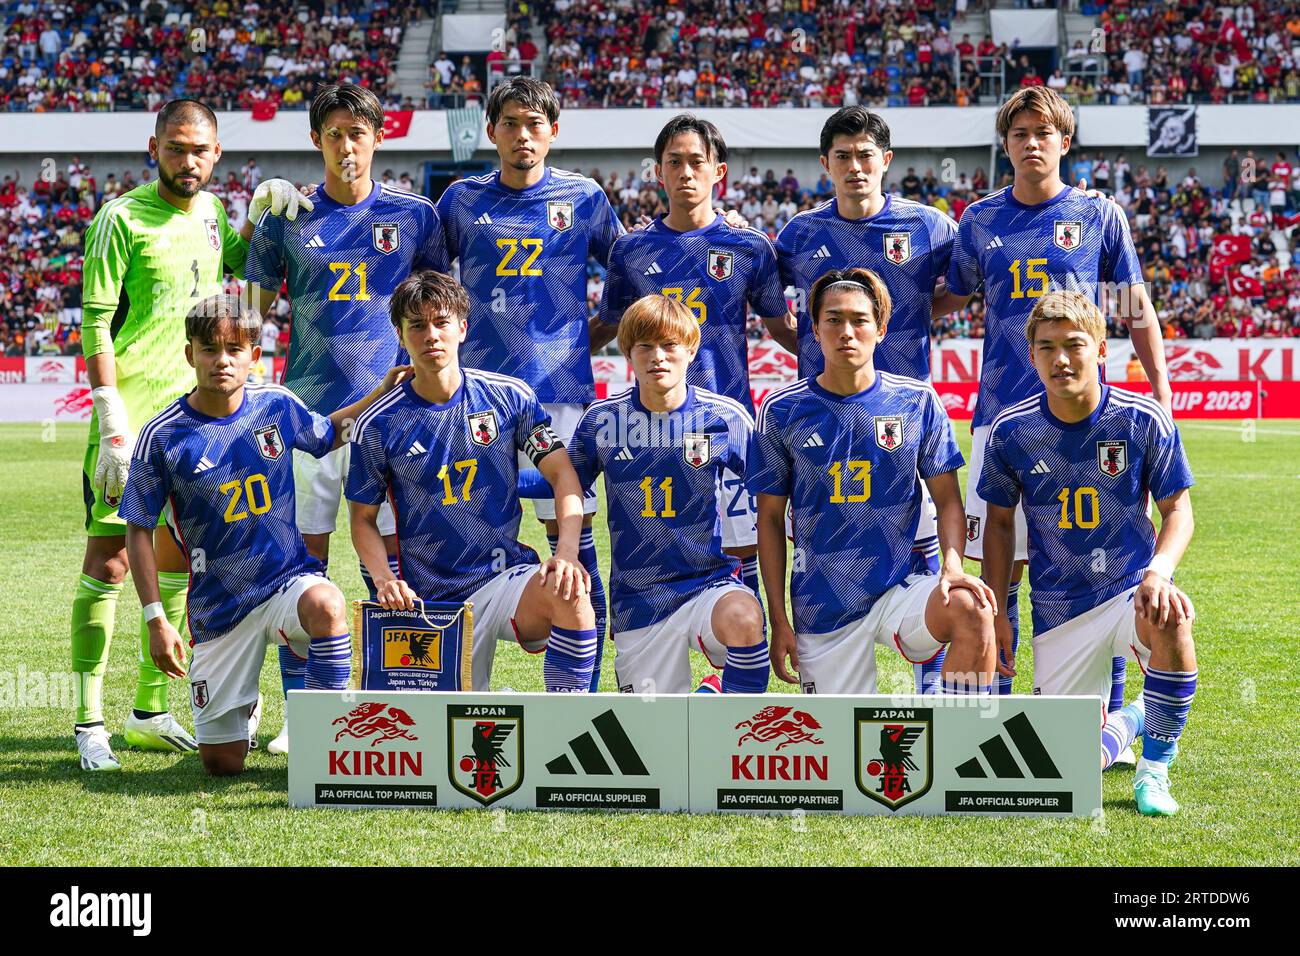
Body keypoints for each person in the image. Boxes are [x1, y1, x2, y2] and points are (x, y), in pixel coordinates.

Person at [72, 98, 308, 772]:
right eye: (177, 148)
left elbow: (247, 265)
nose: (189, 161)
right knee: (110, 562)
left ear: (216, 155)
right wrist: (110, 413)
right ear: (155, 147)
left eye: (200, 150)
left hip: (195, 421)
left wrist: (265, 209)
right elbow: (94, 324)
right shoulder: (119, 219)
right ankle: (88, 719)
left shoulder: (209, 216)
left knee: (181, 561)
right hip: (131, 421)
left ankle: (149, 710)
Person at [932, 87, 1172, 724]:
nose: (1031, 142)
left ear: (1064, 142)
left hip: (1090, 423)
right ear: (1005, 146)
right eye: (1019, 133)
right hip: (1001, 421)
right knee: (997, 569)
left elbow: (1132, 307)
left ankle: (1103, 711)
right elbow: (948, 298)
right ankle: (994, 707)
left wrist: (1163, 392)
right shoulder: (980, 220)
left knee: (1101, 564)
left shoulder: (1099, 216)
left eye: (1043, 131)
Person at [118, 294, 410, 776]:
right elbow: (138, 530)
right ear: (189, 353)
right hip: (219, 608)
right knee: (222, 763)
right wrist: (155, 619)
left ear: (255, 355)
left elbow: (330, 433)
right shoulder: (163, 435)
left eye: (235, 349)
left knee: (328, 606)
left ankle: (325, 746)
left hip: (284, 584)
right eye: (209, 349)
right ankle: (242, 708)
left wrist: (380, 391)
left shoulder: (276, 404)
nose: (222, 361)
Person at [245, 83, 448, 753]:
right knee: (301, 569)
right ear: (316, 141)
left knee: (394, 565)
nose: (345, 145)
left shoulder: (415, 215)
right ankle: (305, 712)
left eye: (356, 133)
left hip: (392, 422)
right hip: (306, 420)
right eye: (332, 133)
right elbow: (249, 314)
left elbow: (439, 310)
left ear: (377, 137)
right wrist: (249, 220)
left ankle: (403, 696)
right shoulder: (287, 215)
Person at [979, 291, 1198, 816]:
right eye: (1047, 348)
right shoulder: (1012, 431)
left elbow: (1179, 512)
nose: (1061, 360)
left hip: (1129, 589)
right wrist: (1000, 610)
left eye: (1074, 345)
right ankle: (1132, 719)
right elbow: (1000, 526)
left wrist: (1159, 573)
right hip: (1060, 611)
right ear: (1031, 357)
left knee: (1171, 617)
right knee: (1068, 766)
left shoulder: (1142, 419)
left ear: (1101, 350)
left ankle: (1154, 771)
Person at [435, 77, 620, 690]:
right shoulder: (460, 201)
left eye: (535, 123)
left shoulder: (585, 197)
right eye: (510, 122)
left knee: (570, 525)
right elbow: (429, 291)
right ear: (491, 131)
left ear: (553, 132)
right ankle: (456, 663)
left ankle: (580, 684)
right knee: (462, 518)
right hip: (475, 397)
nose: (522, 135)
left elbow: (625, 280)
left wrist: (575, 344)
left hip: (559, 391)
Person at [347, 270, 598, 693]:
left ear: (462, 328)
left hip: (502, 579)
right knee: (439, 746)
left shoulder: (510, 397)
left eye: (442, 322)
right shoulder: (378, 423)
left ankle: (564, 721)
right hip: (427, 599)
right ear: (399, 335)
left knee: (568, 593)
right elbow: (361, 520)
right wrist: (385, 581)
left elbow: (563, 475)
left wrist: (568, 554)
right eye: (417, 326)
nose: (431, 335)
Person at [776, 107, 957, 686]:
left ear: (887, 161)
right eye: (843, 156)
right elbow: (771, 300)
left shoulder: (929, 227)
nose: (856, 167)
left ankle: (936, 695)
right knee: (823, 556)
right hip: (822, 419)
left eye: (866, 155)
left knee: (927, 561)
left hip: (905, 427)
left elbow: (967, 281)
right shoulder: (800, 233)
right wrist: (808, 340)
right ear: (826, 164)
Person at [752, 268, 997, 695]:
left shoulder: (916, 400)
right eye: (833, 319)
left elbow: (948, 502)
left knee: (971, 608)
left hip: (899, 587)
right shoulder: (781, 410)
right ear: (814, 328)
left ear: (881, 330)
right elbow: (769, 520)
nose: (846, 331)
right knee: (840, 751)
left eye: (859, 320)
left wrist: (954, 567)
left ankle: (959, 738)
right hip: (822, 603)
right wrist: (779, 617)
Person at [589, 113, 794, 613]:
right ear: (657, 172)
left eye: (696, 162)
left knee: (740, 552)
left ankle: (730, 678)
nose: (685, 172)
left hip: (727, 427)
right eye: (673, 162)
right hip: (650, 429)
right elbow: (607, 326)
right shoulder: (631, 250)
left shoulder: (749, 247)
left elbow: (784, 330)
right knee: (657, 552)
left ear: (718, 171)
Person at [570, 294, 768, 694]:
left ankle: (724, 725)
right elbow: (566, 487)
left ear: (691, 350)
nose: (657, 356)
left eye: (669, 345)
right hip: (638, 598)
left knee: (746, 619)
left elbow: (773, 492)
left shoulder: (725, 418)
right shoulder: (601, 422)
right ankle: (707, 698)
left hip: (708, 583)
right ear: (627, 352)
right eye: (645, 345)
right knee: (653, 733)